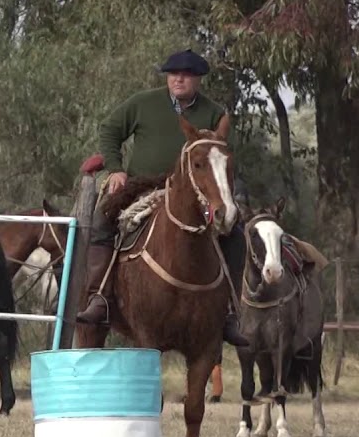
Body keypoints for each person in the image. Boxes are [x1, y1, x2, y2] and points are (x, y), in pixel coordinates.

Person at [75, 48, 250, 347]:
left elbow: (217, 159)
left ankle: (230, 311)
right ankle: (99, 298)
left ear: (197, 79)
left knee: (234, 234)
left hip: (193, 194)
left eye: (185, 75)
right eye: (173, 74)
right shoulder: (143, 103)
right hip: (142, 187)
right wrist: (116, 168)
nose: (178, 79)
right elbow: (110, 129)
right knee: (102, 223)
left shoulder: (214, 113)